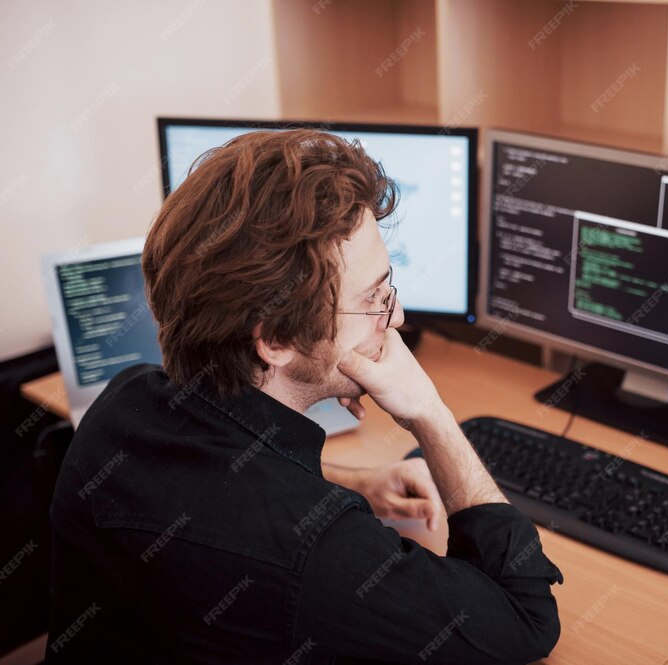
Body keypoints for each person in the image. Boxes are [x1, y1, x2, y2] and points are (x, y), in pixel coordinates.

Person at [46, 130, 563, 664]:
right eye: (375, 298)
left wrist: (357, 484)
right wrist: (430, 413)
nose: (398, 319)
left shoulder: (122, 402)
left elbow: (221, 487)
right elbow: (525, 619)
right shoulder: (317, 554)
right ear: (276, 340)